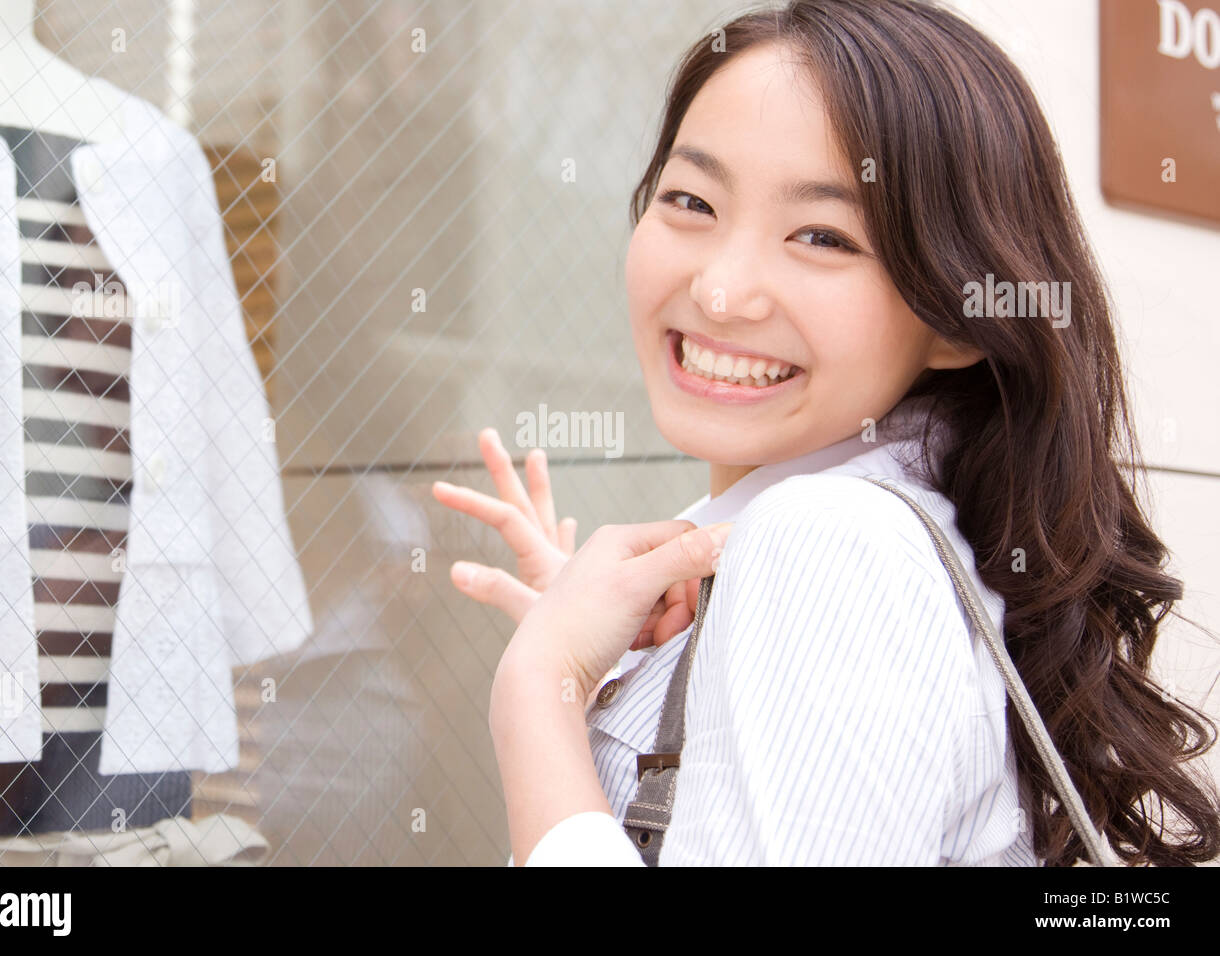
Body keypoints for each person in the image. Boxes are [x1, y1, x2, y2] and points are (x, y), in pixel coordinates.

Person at [433, 0, 1220, 866]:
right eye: (691, 199)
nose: (724, 291)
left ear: (957, 317)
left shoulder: (832, 547)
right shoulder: (854, 537)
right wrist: (617, 675)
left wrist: (538, 695)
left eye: (821, 235)